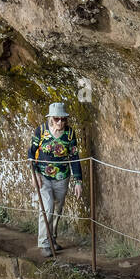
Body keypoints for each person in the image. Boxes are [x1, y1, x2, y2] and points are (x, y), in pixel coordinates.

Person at [27, 102, 83, 257]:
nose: (60, 122)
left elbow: (74, 157)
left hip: (62, 177)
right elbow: (31, 153)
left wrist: (78, 181)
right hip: (43, 176)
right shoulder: (41, 131)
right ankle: (44, 243)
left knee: (57, 210)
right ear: (50, 118)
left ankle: (52, 238)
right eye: (57, 119)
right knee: (47, 207)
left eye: (63, 119)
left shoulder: (70, 134)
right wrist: (34, 174)